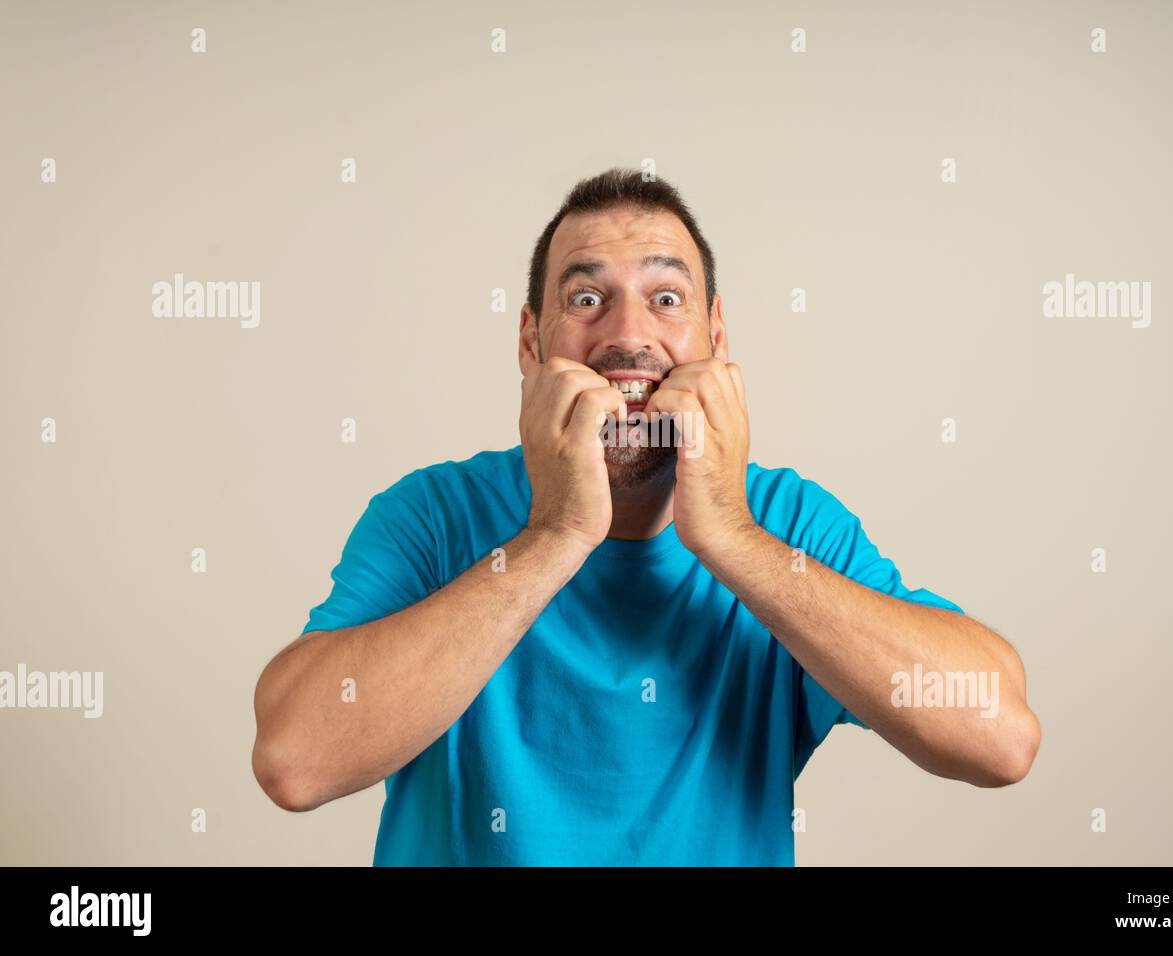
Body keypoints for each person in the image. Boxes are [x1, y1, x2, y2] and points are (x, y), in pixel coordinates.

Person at [251, 168, 1041, 865]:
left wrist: (730, 535)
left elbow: (999, 736)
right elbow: (295, 759)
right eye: (586, 299)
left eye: (667, 299)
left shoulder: (788, 525)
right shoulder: (432, 517)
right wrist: (554, 536)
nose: (628, 336)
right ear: (531, 343)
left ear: (716, 338)